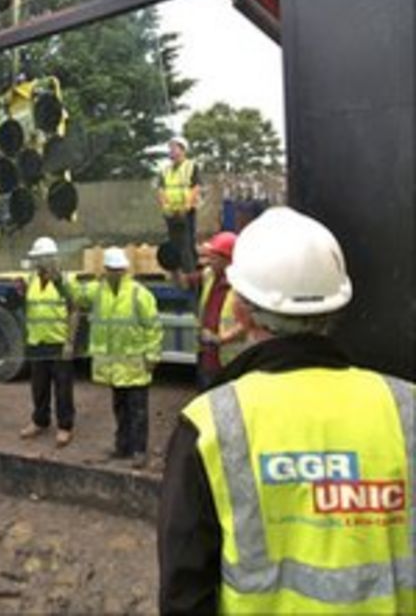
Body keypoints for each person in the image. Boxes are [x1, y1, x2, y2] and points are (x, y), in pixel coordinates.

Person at [158, 207, 414, 615]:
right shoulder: (406, 409)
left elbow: (185, 593)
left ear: (241, 311)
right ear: (336, 309)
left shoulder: (210, 425)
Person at [75, 246, 164, 470]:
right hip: (115, 368)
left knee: (138, 410)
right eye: (112, 269)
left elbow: (153, 327)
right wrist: (59, 279)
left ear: (125, 269)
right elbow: (76, 294)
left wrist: (152, 355)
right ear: (105, 270)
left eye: (119, 269)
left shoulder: (138, 294)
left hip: (134, 365)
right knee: (121, 408)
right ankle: (122, 446)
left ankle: (139, 451)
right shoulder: (99, 292)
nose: (116, 273)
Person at [19, 236, 76, 447]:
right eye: (36, 259)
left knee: (63, 387)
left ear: (51, 258)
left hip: (58, 340)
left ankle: (65, 426)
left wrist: (70, 341)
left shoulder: (65, 280)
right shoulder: (32, 280)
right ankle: (40, 420)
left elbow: (75, 310)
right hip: (37, 341)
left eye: (40, 259)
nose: (37, 263)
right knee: (39, 386)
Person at [175, 231, 247, 391]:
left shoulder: (242, 286)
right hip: (206, 356)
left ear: (227, 260)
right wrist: (173, 266)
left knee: (226, 408)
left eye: (213, 257)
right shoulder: (209, 274)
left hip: (229, 361)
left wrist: (219, 339)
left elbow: (248, 324)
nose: (208, 262)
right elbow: (184, 283)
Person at [157, 136, 200, 272]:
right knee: (174, 243)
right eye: (170, 148)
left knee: (187, 243)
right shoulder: (165, 170)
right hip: (171, 212)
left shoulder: (191, 166)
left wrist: (187, 206)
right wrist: (165, 207)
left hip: (186, 212)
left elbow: (195, 187)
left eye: (174, 148)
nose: (171, 151)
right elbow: (161, 189)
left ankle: (190, 272)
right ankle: (177, 272)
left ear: (183, 150)